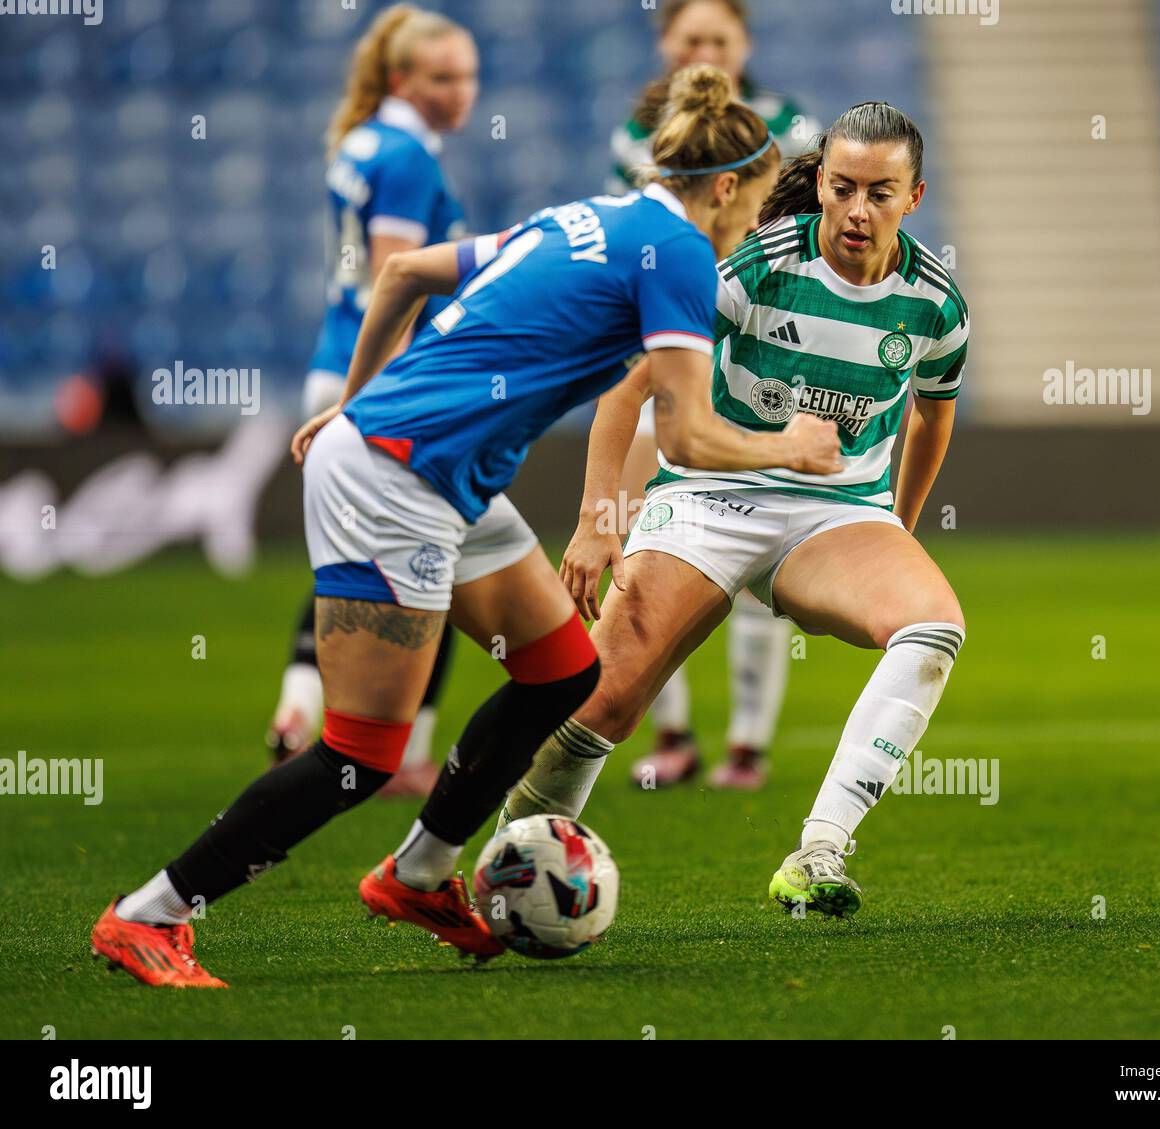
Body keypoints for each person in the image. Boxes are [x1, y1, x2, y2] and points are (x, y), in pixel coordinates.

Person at [90, 66, 841, 987]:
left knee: (564, 667)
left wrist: (357, 399)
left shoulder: (589, 217)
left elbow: (404, 273)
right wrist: (794, 449)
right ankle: (149, 912)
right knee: (359, 755)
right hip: (395, 477)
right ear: (725, 186)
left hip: (433, 467)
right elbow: (684, 430)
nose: (751, 218)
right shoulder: (679, 250)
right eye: (756, 198)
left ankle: (418, 874)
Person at [503, 101, 970, 920]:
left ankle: (820, 847)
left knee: (934, 625)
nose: (859, 211)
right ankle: (507, 862)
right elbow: (632, 378)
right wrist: (597, 516)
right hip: (709, 495)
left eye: (881, 194)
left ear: (915, 196)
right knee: (605, 697)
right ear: (820, 182)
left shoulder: (936, 304)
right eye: (844, 187)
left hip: (838, 512)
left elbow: (935, 411)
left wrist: (900, 519)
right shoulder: (756, 263)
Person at [608, 0, 822, 788]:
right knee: (651, 544)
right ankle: (671, 736)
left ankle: (746, 745)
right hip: (669, 343)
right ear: (666, 42)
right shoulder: (636, 138)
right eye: (691, 37)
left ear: (746, 44)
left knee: (761, 537)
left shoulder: (793, 127)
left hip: (762, 351)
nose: (705, 49)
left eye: (719, 38)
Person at [268, 4, 478, 798]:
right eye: (442, 77)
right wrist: (381, 399)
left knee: (347, 562)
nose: (460, 93)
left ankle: (299, 708)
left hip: (333, 367)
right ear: (402, 79)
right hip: (381, 380)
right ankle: (408, 752)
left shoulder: (359, 142)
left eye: (467, 76)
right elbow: (395, 280)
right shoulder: (408, 160)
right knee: (444, 561)